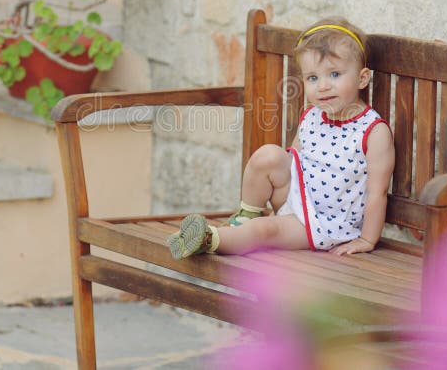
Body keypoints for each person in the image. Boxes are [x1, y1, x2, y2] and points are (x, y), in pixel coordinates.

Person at [166, 17, 395, 259]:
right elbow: (294, 161)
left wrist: (367, 239)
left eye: (335, 74)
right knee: (270, 155)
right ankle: (246, 216)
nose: (323, 86)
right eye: (313, 78)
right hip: (299, 198)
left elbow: (376, 192)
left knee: (267, 230)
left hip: (325, 224)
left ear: (362, 79)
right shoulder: (312, 115)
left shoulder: (374, 132)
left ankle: (209, 239)